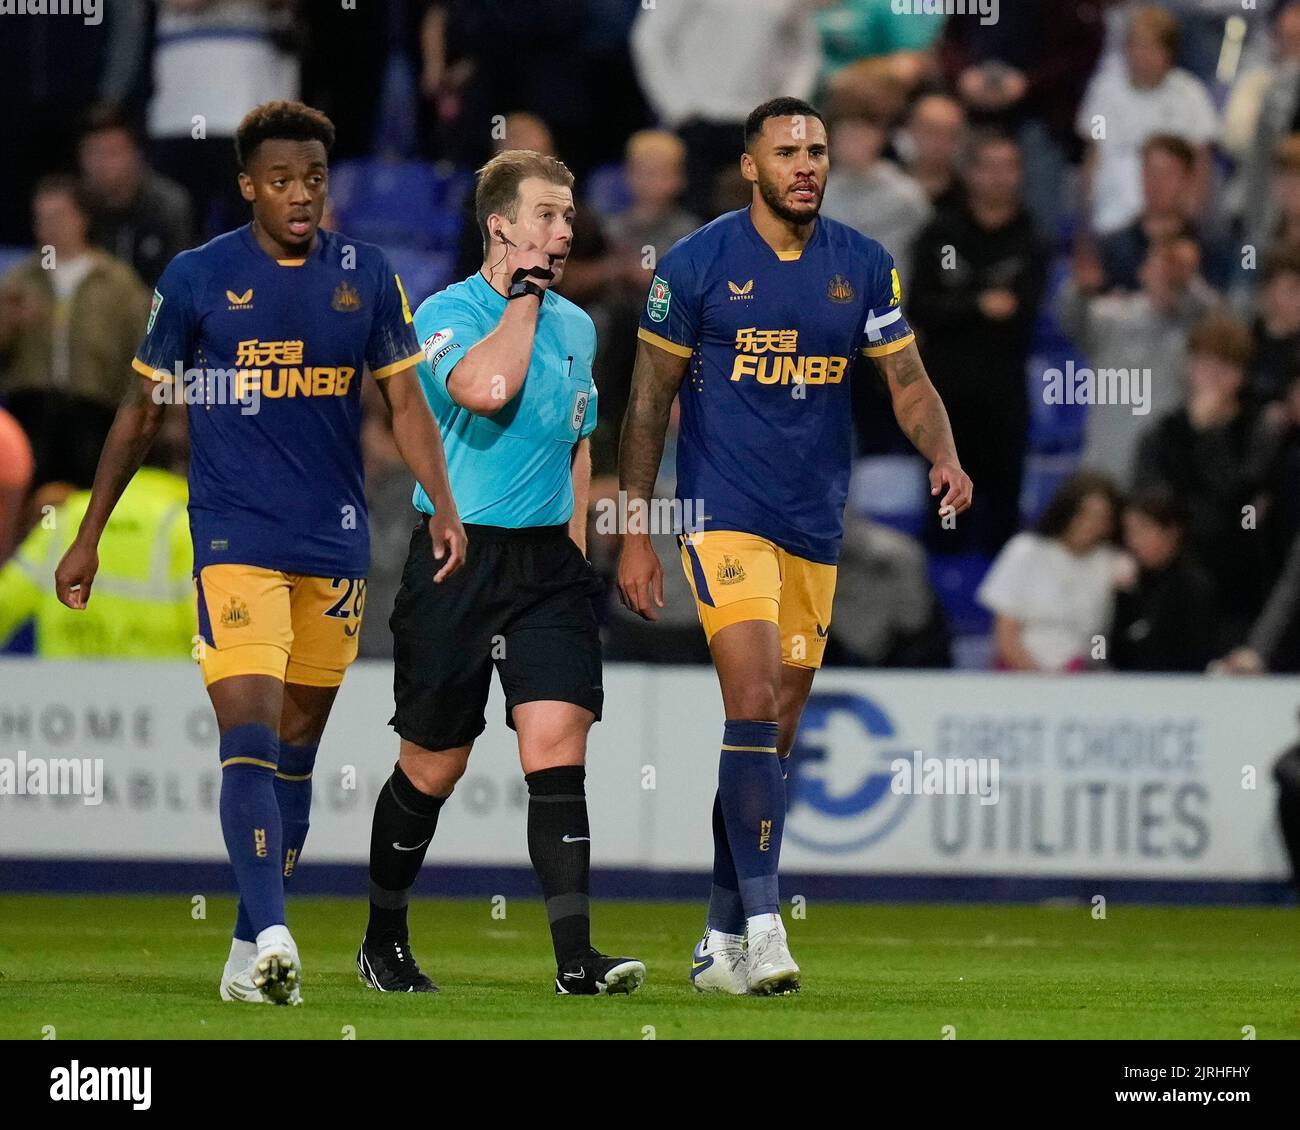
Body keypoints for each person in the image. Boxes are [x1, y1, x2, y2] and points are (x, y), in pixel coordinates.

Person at [53, 100, 466, 1007]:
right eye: (280, 180)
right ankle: (279, 927)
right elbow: (139, 411)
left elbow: (403, 405)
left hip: (336, 545)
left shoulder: (368, 275)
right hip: (235, 539)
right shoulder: (199, 279)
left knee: (295, 751)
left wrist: (441, 503)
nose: (300, 195)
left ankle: (249, 953)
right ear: (247, 187)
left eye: (314, 179)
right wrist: (87, 533)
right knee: (246, 732)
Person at [616, 97, 972, 995]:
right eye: (788, 152)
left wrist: (946, 453)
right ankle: (770, 925)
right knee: (753, 698)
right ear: (751, 167)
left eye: (816, 149)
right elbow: (647, 402)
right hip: (721, 512)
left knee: (772, 733)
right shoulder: (695, 265)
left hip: (814, 524)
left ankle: (718, 937)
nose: (807, 164)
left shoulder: (862, 266)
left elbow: (909, 382)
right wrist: (634, 530)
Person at [361, 149, 645, 997]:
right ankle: (384, 940)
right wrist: (521, 300)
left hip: (545, 565)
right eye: (549, 216)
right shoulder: (448, 308)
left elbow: (579, 439)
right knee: (434, 763)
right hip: (457, 554)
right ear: (501, 226)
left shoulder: (581, 326)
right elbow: (486, 389)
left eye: (568, 217)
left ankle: (574, 960)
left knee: (557, 747)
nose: (565, 232)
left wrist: (576, 543)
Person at [909, 130, 1048, 555]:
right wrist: (979, 306)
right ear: (969, 173)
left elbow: (1024, 314)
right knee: (944, 519)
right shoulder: (939, 232)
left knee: (1001, 520)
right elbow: (920, 304)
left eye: (1008, 167)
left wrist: (962, 309)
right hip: (946, 398)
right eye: (988, 167)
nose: (998, 178)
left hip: (1003, 396)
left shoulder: (1032, 239)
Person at [0, 412, 194, 658]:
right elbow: (217, 640)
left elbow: (4, 604)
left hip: (60, 693)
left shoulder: (68, 517)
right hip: (169, 694)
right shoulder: (191, 527)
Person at [0, 176, 152, 490]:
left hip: (94, 410)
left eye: (57, 217)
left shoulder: (117, 282)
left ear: (82, 219)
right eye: (40, 218)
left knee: (86, 496)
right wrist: (7, 324)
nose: (47, 227)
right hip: (30, 407)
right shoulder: (18, 281)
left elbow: (143, 348)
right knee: (27, 492)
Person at [1058, 235, 1219, 486]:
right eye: (1160, 267)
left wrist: (1188, 286)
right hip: (1105, 463)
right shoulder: (1111, 316)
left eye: (1174, 273)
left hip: (1163, 468)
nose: (1166, 277)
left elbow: (1226, 328)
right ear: (1143, 272)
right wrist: (1081, 289)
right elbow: (1071, 321)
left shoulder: (1196, 330)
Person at [1077, 4, 1218, 240]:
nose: (1142, 55)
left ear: (1169, 53)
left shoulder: (1190, 94)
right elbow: (1094, 156)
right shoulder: (1104, 91)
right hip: (1112, 219)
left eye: (1152, 47)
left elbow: (1201, 164)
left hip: (1171, 223)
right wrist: (1089, 218)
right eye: (1136, 46)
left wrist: (1189, 218)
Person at [977, 472, 1125, 672]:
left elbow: (1100, 637)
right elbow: (1006, 634)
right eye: (1084, 513)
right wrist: (1039, 681)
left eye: (1101, 517)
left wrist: (1091, 671)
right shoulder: (1025, 550)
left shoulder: (1111, 562)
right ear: (1067, 511)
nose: (1090, 524)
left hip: (1081, 676)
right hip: (1021, 674)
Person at [79, 106, 194, 288]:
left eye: (113, 153)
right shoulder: (74, 207)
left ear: (135, 155)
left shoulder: (167, 205)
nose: (102, 164)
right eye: (93, 153)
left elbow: (178, 283)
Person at [1110, 485, 1221, 671]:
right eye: (1129, 530)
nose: (1133, 540)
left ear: (1172, 533)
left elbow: (1195, 659)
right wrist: (1124, 597)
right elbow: (1114, 655)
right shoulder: (1130, 584)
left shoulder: (1193, 588)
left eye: (1143, 529)